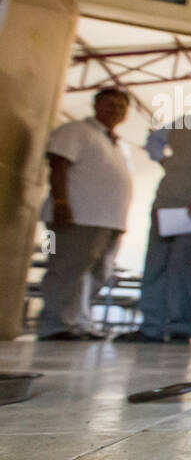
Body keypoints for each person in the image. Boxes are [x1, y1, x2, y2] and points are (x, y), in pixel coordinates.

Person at [115, 78, 191, 343]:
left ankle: (180, 325)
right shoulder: (182, 123)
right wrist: (164, 159)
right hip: (168, 200)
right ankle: (151, 326)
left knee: (182, 262)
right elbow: (153, 140)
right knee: (156, 262)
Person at [38, 88, 133, 340]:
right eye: (109, 104)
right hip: (77, 217)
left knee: (95, 275)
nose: (115, 110)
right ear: (96, 105)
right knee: (66, 270)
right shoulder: (76, 131)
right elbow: (59, 164)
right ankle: (56, 325)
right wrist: (61, 201)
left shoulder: (114, 142)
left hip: (108, 220)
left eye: (121, 106)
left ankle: (80, 323)